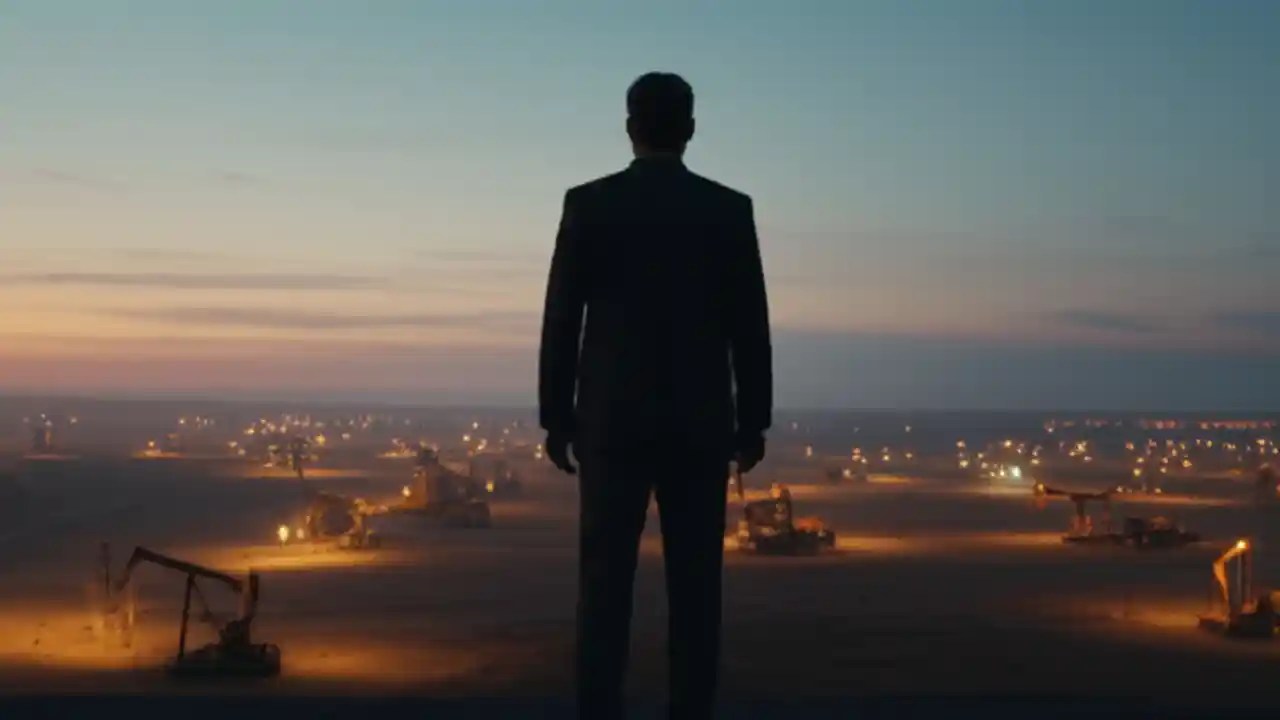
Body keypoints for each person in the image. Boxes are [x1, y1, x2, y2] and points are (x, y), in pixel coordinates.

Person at [538, 71, 773, 719]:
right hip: (700, 428)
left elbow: (563, 319)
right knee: (698, 591)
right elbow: (749, 324)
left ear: (628, 127)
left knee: (603, 588)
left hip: (610, 426)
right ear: (690, 128)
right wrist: (753, 422)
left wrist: (556, 418)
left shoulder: (588, 204)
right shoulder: (729, 210)